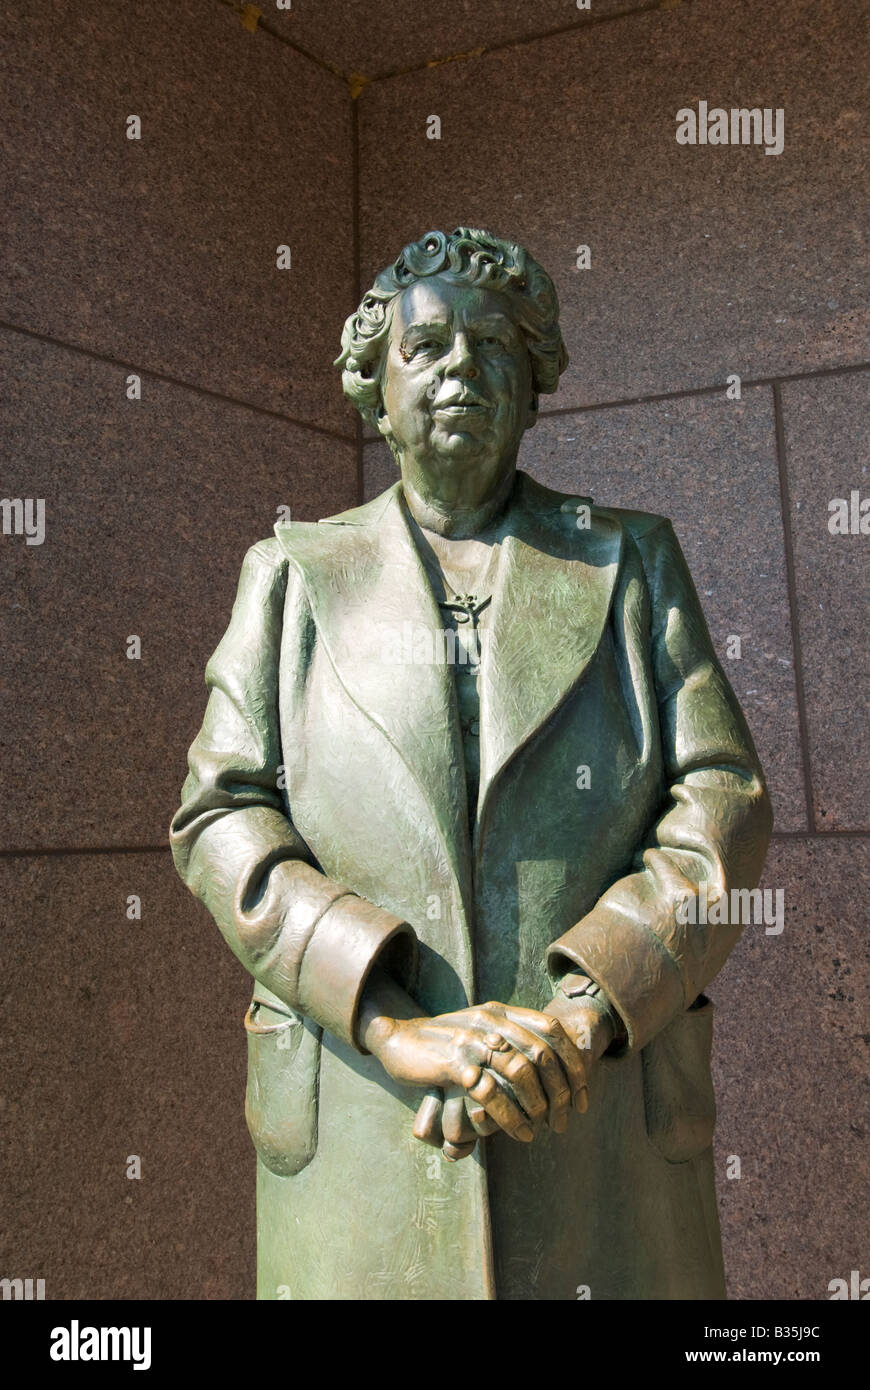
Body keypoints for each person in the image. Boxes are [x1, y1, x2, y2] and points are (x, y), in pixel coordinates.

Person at [170, 227, 772, 1299]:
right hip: (365, 1111)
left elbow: (722, 800)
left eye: (496, 347)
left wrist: (586, 1015)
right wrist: (395, 1024)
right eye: (427, 347)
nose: (459, 368)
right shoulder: (292, 576)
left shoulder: (629, 560)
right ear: (376, 386)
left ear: (535, 385)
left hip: (597, 1126)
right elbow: (220, 816)